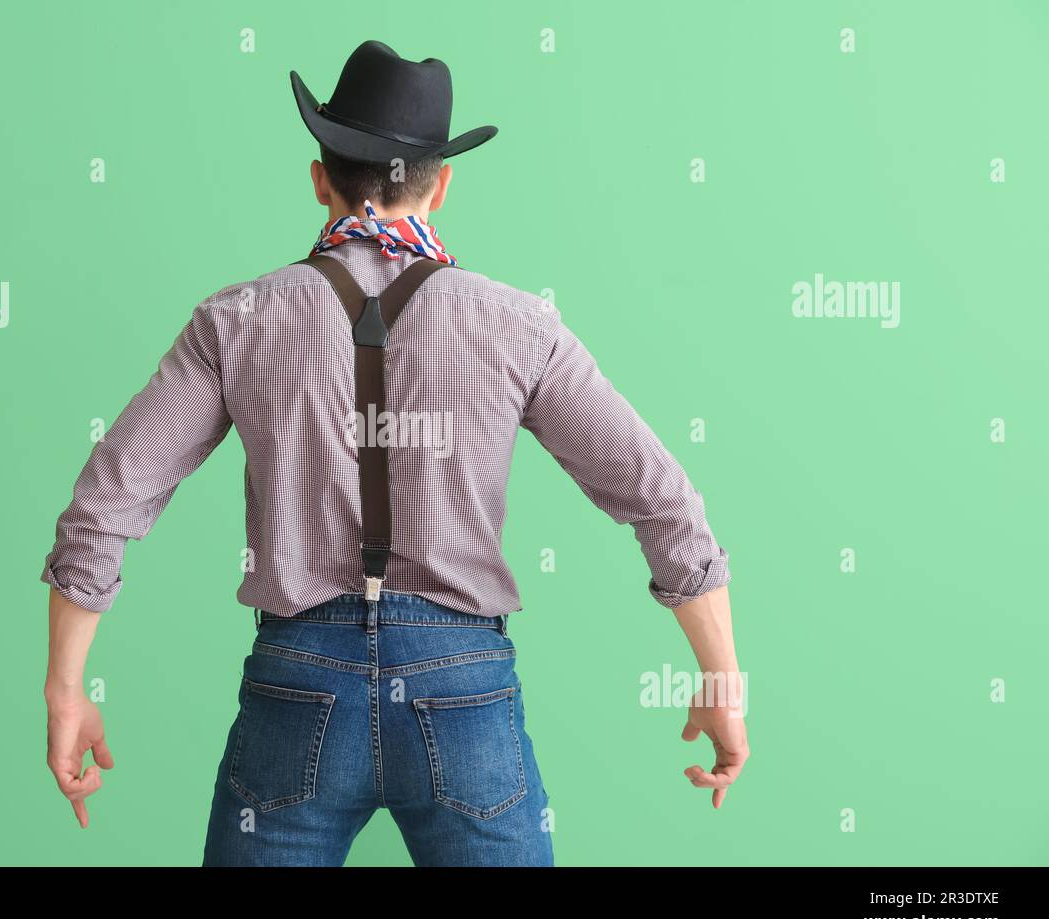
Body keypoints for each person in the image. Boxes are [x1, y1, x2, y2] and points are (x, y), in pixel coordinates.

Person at [40, 40, 748, 866]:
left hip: (296, 683)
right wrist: (720, 678)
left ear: (319, 178)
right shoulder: (519, 327)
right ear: (441, 186)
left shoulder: (235, 321)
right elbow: (658, 497)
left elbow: (108, 501)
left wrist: (66, 689)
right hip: (463, 686)